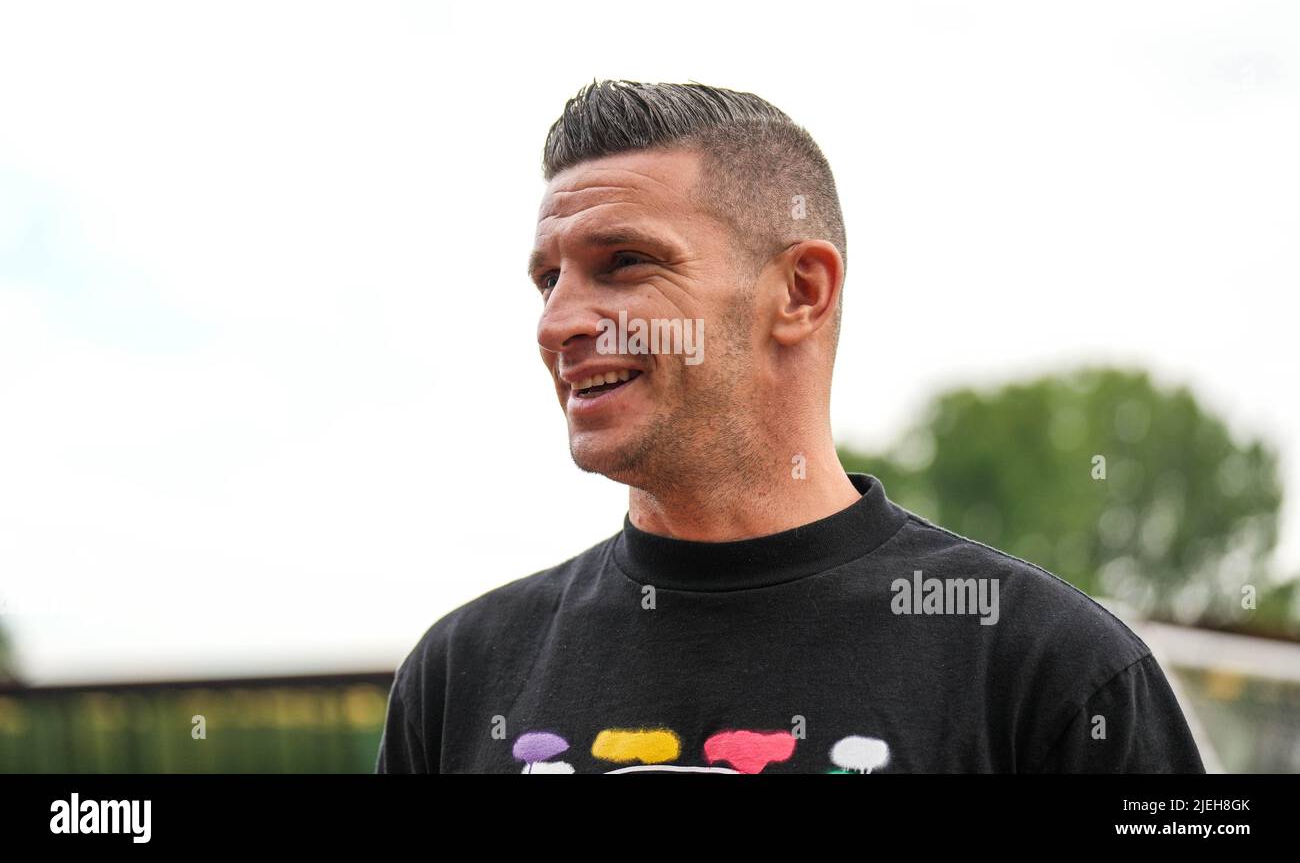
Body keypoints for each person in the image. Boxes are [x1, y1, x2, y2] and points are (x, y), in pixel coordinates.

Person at [375, 79, 1206, 773]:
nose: (558, 323)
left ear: (801, 291)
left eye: (624, 263)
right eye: (548, 279)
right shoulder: (460, 677)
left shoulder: (1051, 673)